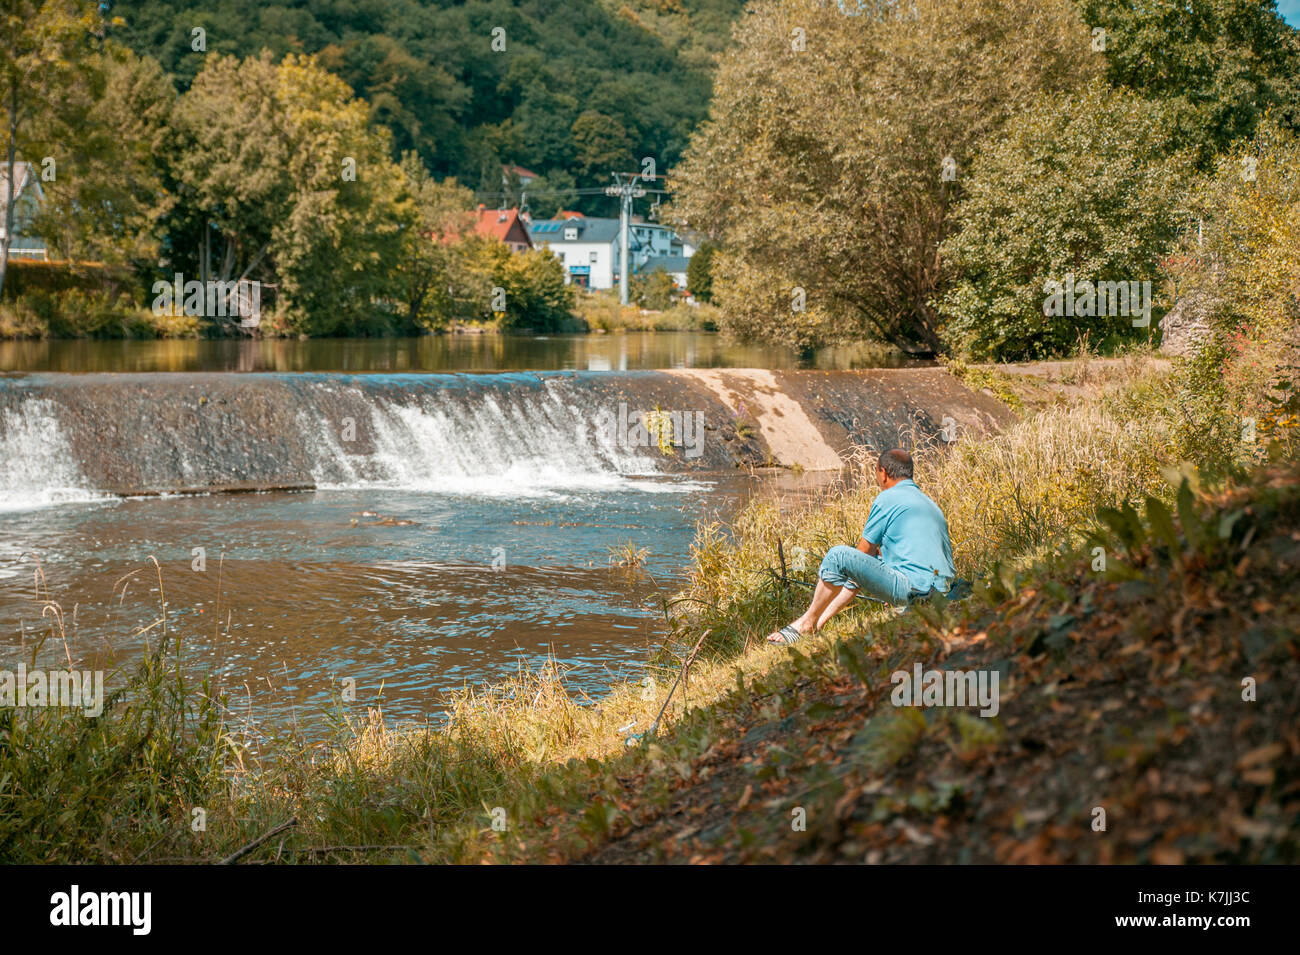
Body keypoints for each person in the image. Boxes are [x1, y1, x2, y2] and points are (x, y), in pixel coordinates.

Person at [767, 448, 955, 644]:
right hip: (942, 592)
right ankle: (818, 624)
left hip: (916, 591)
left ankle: (807, 622)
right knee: (870, 561)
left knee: (839, 556)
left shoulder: (888, 497)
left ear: (883, 473)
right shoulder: (930, 503)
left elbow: (863, 552)